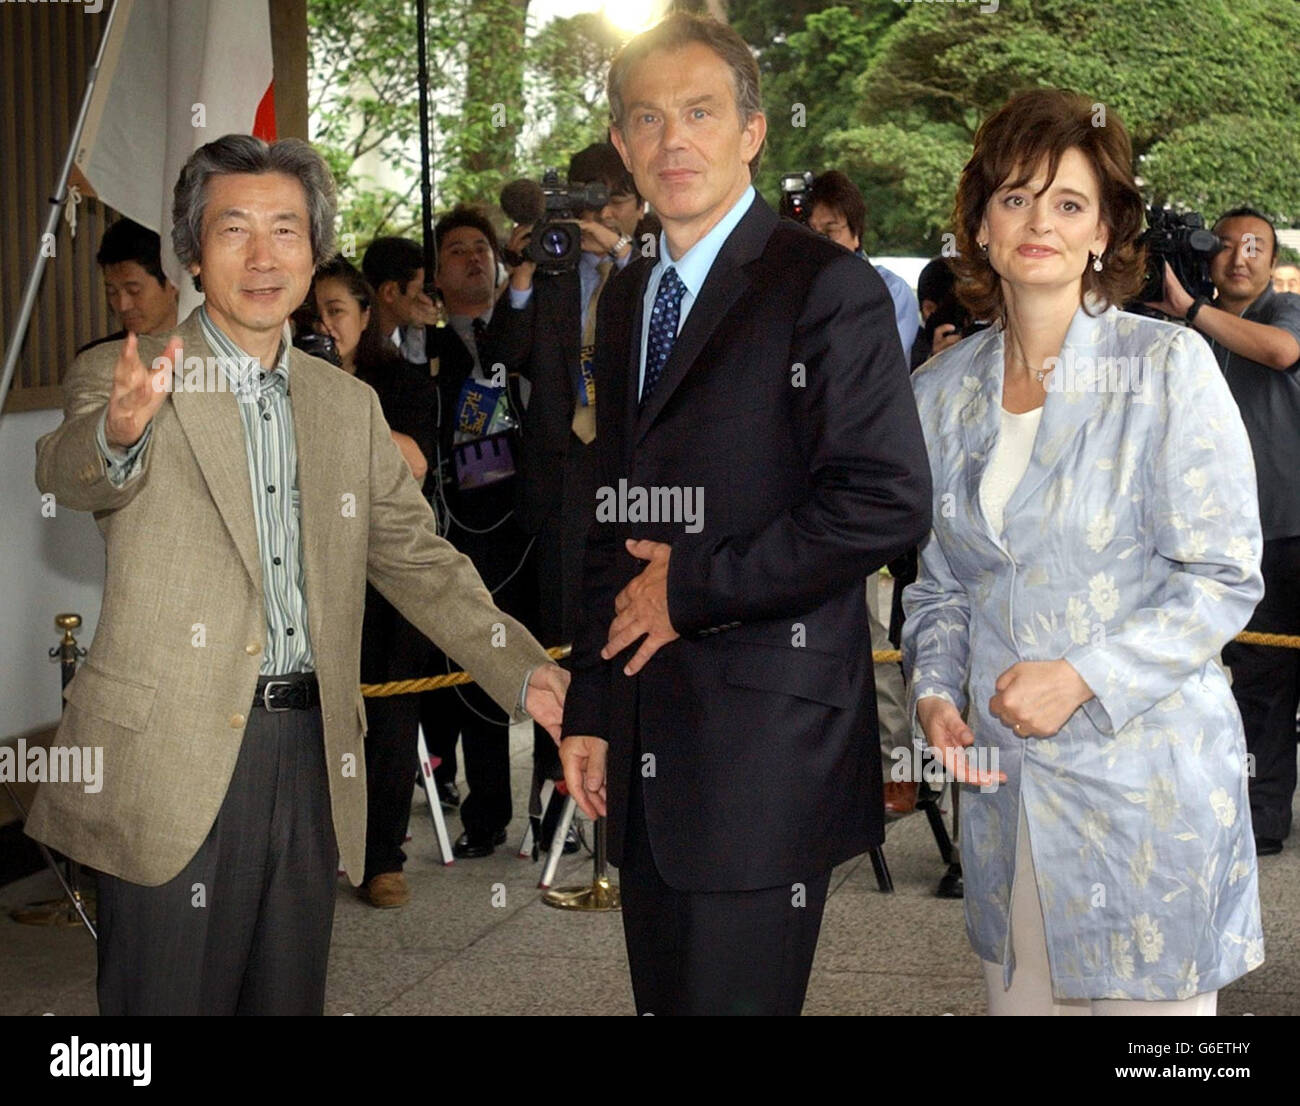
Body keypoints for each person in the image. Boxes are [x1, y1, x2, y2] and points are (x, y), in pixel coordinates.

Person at [28, 134, 568, 1014]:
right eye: (233, 229)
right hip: (172, 760)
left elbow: (420, 559)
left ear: (315, 250)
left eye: (286, 230)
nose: (262, 255)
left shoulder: (344, 406)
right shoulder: (128, 373)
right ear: (194, 253)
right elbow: (65, 466)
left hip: (313, 754)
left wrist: (525, 667)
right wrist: (119, 435)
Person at [559, 12, 931, 1016]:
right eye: (647, 118)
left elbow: (884, 502)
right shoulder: (629, 295)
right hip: (641, 737)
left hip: (764, 751)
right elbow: (614, 509)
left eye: (700, 111)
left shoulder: (827, 287)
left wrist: (696, 587)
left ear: (752, 131)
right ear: (625, 146)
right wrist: (591, 701)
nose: (672, 138)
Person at [902, 89, 1265, 1015]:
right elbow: (942, 580)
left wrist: (1083, 675)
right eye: (1016, 197)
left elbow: (1223, 576)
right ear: (981, 223)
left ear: (1104, 231)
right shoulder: (940, 391)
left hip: (1148, 791)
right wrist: (937, 691)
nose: (1040, 223)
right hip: (1006, 793)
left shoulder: (1165, 367)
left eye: (1069, 203)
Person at [493, 142, 641, 850]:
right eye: (594, 202)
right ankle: (553, 800)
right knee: (560, 620)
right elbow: (506, 352)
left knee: (627, 618)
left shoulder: (646, 268)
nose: (599, 214)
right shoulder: (551, 266)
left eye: (613, 201)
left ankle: (629, 781)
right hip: (559, 471)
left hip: (631, 472)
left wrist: (618, 252)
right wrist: (522, 273)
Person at [1146, 207, 1300, 856]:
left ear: (1272, 260)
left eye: (1255, 247)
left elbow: (1280, 352)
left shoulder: (1283, 313)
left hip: (1294, 529)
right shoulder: (1193, 334)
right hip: (1235, 540)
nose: (1240, 257)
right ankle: (1261, 822)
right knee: (1259, 687)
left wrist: (1191, 312)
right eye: (1228, 246)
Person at [312, 255, 438, 907]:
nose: (323, 324)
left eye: (335, 310)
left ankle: (382, 858)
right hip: (310, 573)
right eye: (312, 314)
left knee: (389, 714)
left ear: (366, 315)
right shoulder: (280, 382)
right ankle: (313, 848)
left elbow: (413, 462)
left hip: (385, 574)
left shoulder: (402, 381)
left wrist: (341, 393)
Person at [421, 204, 538, 859]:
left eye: (480, 248)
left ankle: (555, 811)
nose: (471, 258)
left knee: (544, 655)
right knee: (474, 669)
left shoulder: (524, 329)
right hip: (457, 529)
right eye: (455, 250)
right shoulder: (427, 347)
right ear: (435, 274)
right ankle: (484, 812)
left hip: (525, 525)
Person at [807, 169, 920, 356]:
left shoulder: (891, 291)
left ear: (856, 233)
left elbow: (873, 362)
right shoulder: (792, 290)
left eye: (830, 231)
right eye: (810, 233)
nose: (819, 244)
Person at [79, 217, 179, 353]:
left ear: (172, 283)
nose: (123, 305)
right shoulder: (95, 360)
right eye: (112, 291)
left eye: (133, 290)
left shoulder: (209, 356)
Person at [362, 236, 440, 368]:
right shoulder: (355, 344)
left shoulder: (409, 336)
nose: (427, 300)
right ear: (389, 292)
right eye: (421, 291)